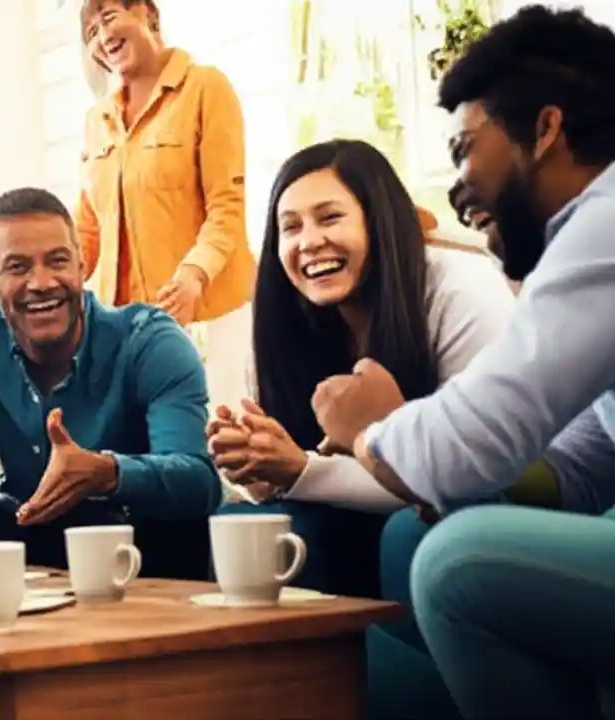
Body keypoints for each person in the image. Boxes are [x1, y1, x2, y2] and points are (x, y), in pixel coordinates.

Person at [308, 7, 615, 717]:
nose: (456, 187)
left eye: (465, 149)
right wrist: (428, 463)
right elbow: (585, 462)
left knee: (457, 563)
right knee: (414, 535)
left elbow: (465, 444)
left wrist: (370, 428)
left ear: (545, 130)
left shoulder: (603, 225)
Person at [207, 139, 516, 597]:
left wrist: (300, 472)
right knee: (245, 522)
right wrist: (258, 468)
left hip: (467, 512)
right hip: (351, 516)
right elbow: (294, 479)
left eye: (330, 217)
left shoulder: (459, 290)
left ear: (379, 219)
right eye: (290, 228)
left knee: (402, 534)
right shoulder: (282, 321)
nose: (309, 241)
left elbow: (468, 482)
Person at [0, 187, 219, 578]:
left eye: (57, 261)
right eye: (18, 267)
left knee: (182, 519)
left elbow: (199, 479)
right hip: (24, 529)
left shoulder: (152, 342)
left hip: (126, 540)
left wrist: (107, 472)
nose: (41, 282)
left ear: (82, 266)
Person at [75, 0, 255, 408]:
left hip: (208, 314)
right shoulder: (96, 120)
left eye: (109, 18)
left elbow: (226, 205)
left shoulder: (205, 88)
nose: (102, 37)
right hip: (126, 328)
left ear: (147, 13)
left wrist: (194, 275)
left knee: (217, 445)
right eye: (90, 34)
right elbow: (88, 227)